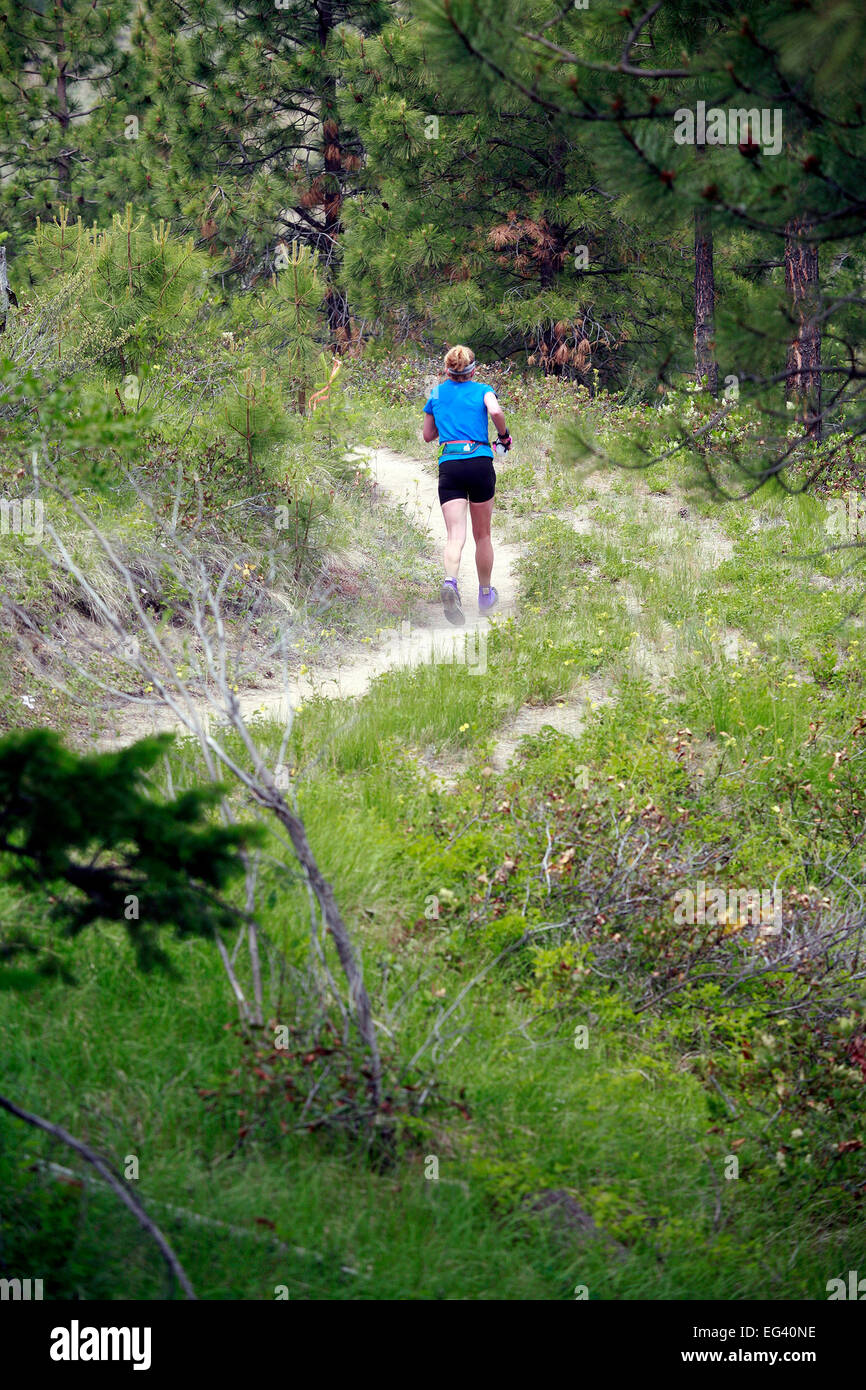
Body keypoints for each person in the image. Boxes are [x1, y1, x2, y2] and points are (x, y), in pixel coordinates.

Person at [422, 345, 512, 626]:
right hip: (480, 462)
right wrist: (504, 435)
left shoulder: (436, 393)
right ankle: (485, 595)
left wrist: (444, 423)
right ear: (473, 369)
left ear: (446, 369)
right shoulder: (483, 389)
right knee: (482, 535)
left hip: (450, 465)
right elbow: (495, 411)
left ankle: (451, 583)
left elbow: (427, 435)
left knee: (454, 535)